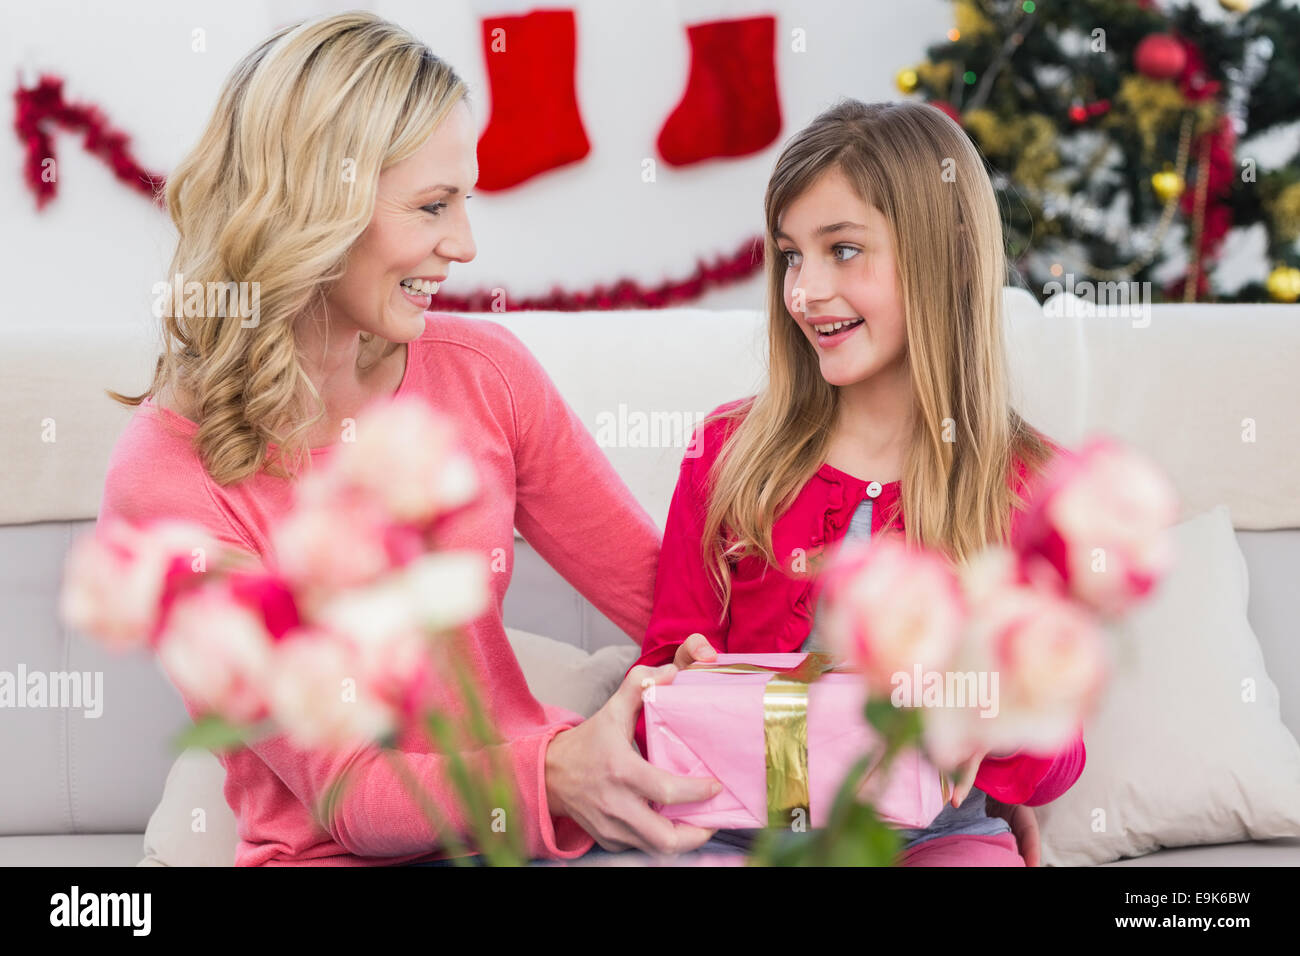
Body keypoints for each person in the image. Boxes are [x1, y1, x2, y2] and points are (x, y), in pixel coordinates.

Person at [98, 11, 720, 866]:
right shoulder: (164, 481)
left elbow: (671, 604)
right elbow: (351, 789)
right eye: (433, 205)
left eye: (464, 200)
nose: (463, 245)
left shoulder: (484, 372)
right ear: (316, 208)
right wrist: (557, 774)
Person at [627, 100, 1088, 867]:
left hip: (938, 838)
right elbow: (664, 667)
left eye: (842, 250)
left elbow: (1058, 755)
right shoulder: (727, 454)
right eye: (791, 256)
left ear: (943, 258)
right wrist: (681, 685)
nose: (803, 291)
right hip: (738, 831)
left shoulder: (1029, 488)